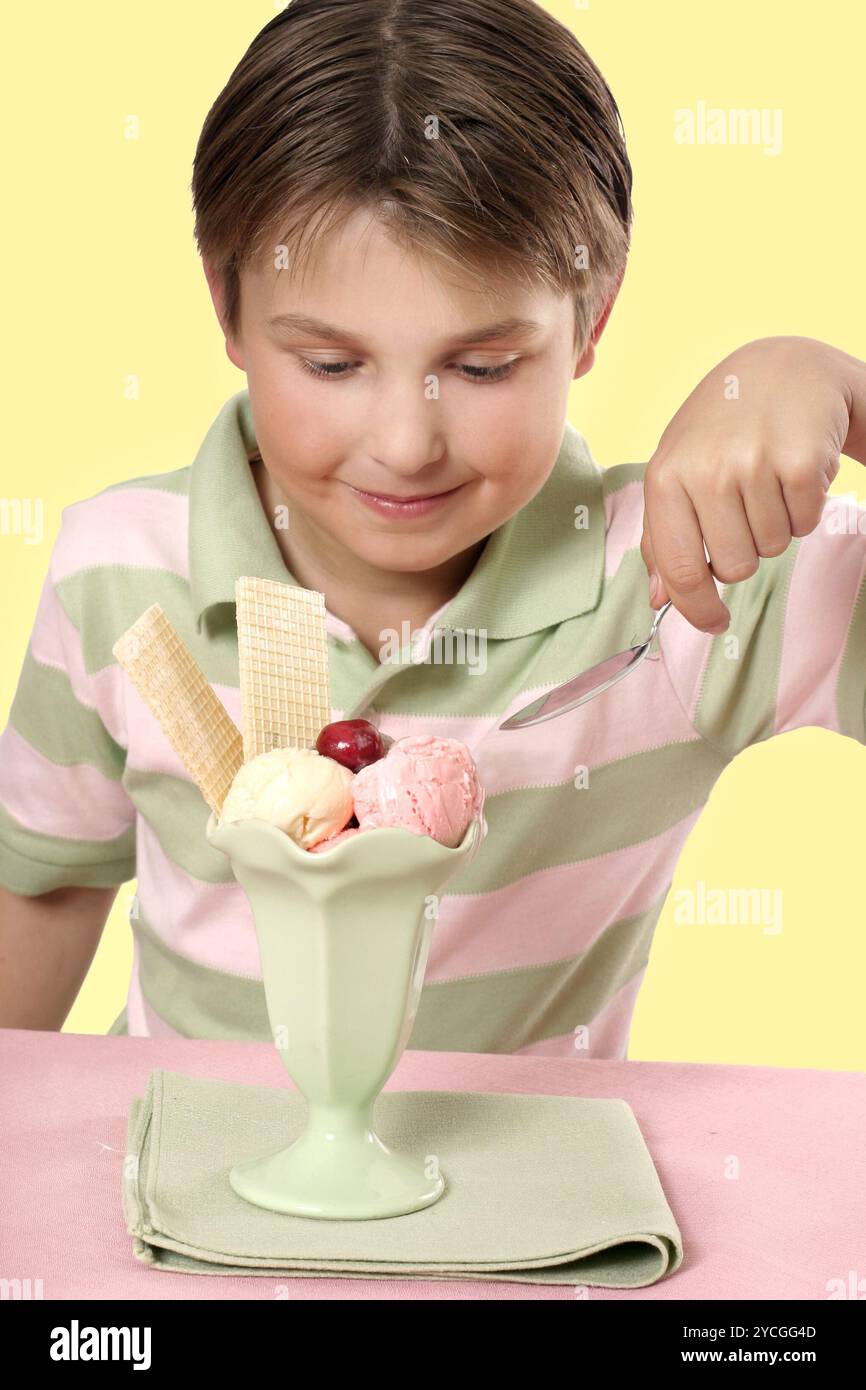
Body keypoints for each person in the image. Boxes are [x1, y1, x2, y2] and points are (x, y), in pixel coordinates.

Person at [1, 0, 864, 1057]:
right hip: (178, 1189)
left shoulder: (695, 573)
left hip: (529, 1214)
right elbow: (42, 889)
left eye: (481, 366)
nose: (405, 443)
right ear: (227, 311)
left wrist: (833, 387)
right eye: (330, 364)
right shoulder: (120, 574)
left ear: (590, 318)